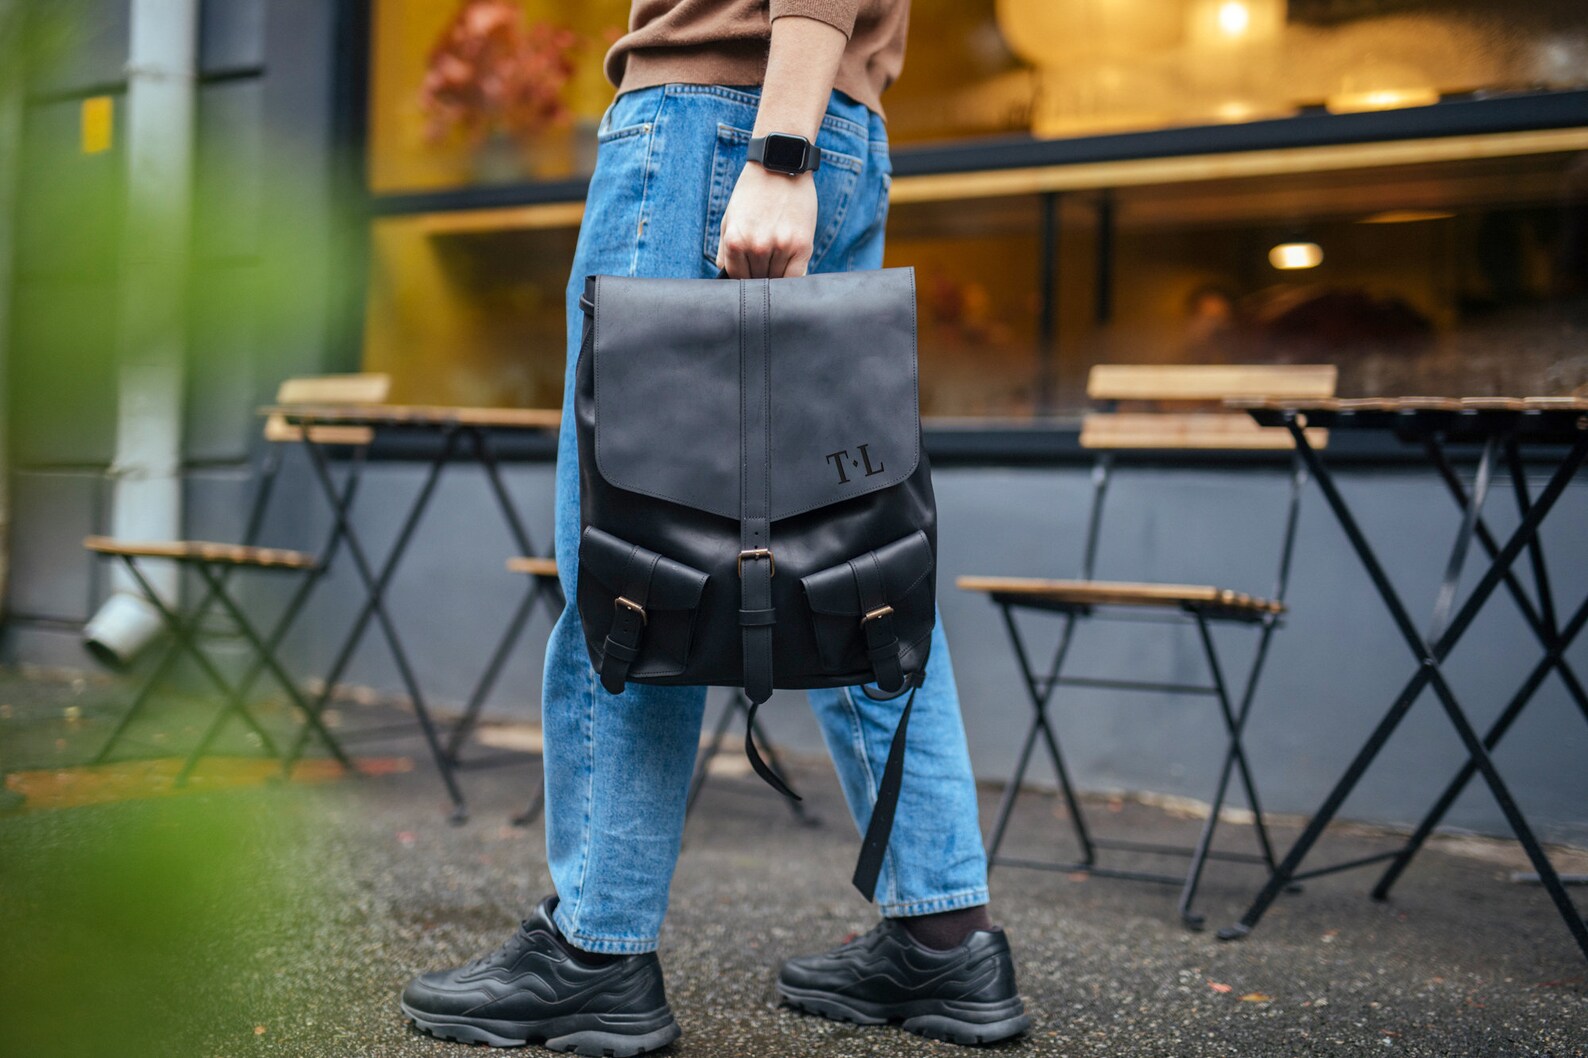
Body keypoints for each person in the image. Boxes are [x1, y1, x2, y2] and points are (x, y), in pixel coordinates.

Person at [400, 2, 1031, 1051]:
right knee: (857, 559)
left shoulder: (748, 124)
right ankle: (943, 938)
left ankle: (594, 952)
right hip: (825, 120)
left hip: (719, 129)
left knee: (638, 550)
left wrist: (777, 147)